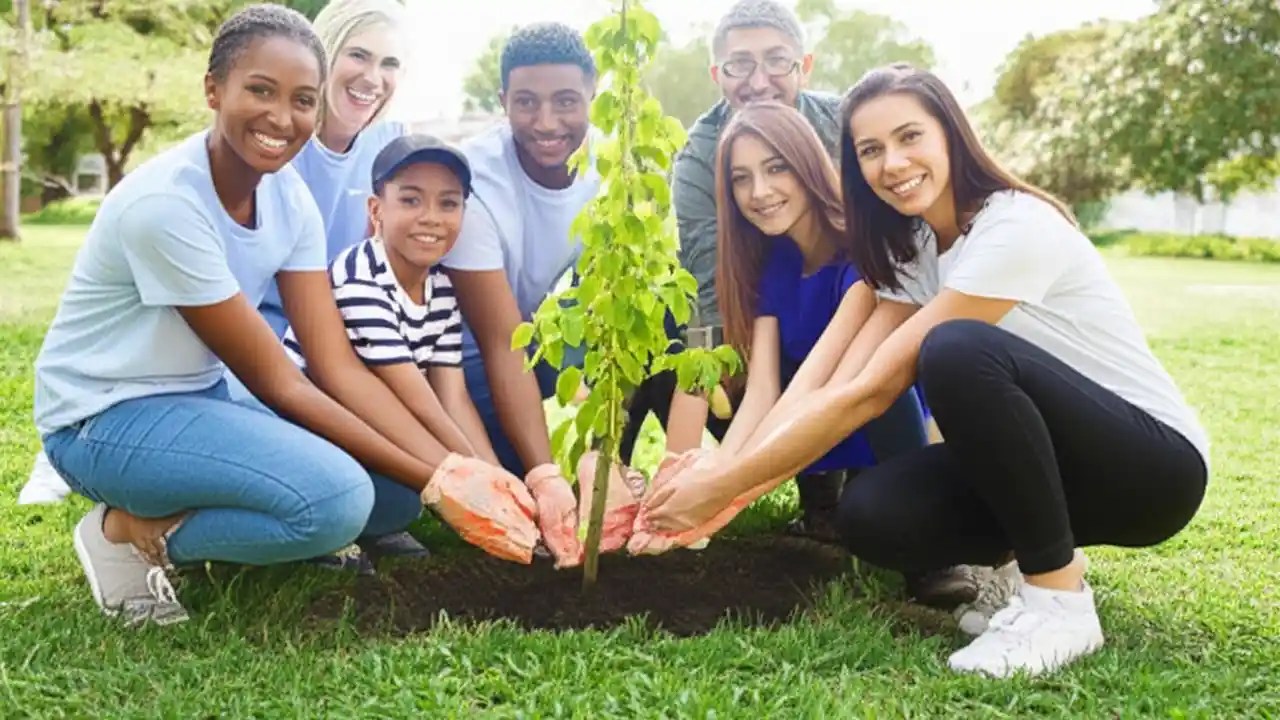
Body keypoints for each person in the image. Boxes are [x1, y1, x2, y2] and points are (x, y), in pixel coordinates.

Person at [641, 64, 1210, 678]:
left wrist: (723, 487)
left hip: (1154, 469)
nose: (893, 162)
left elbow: (875, 393)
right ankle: (1036, 575)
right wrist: (721, 481)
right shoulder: (915, 253)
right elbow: (840, 384)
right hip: (1060, 468)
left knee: (956, 350)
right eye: (870, 150)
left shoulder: (1012, 225)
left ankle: (1060, 603)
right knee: (875, 515)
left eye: (910, 137)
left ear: (951, 135)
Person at [33, 5, 465, 625]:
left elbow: (334, 365)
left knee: (392, 499)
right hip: (104, 419)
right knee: (336, 503)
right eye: (260, 90)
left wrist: (435, 475)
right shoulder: (165, 206)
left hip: (202, 397)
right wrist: (443, 482)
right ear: (214, 89)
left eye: (302, 100)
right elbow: (280, 382)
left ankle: (233, 520)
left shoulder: (288, 196)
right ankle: (122, 531)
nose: (281, 118)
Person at [440, 22, 601, 568]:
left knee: (656, 329)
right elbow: (500, 339)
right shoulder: (475, 181)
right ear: (503, 100)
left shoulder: (612, 169)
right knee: (518, 486)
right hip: (460, 362)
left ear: (592, 94)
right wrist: (544, 471)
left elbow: (606, 313)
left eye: (565, 102)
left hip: (532, 337)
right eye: (527, 103)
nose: (547, 123)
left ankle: (610, 475)